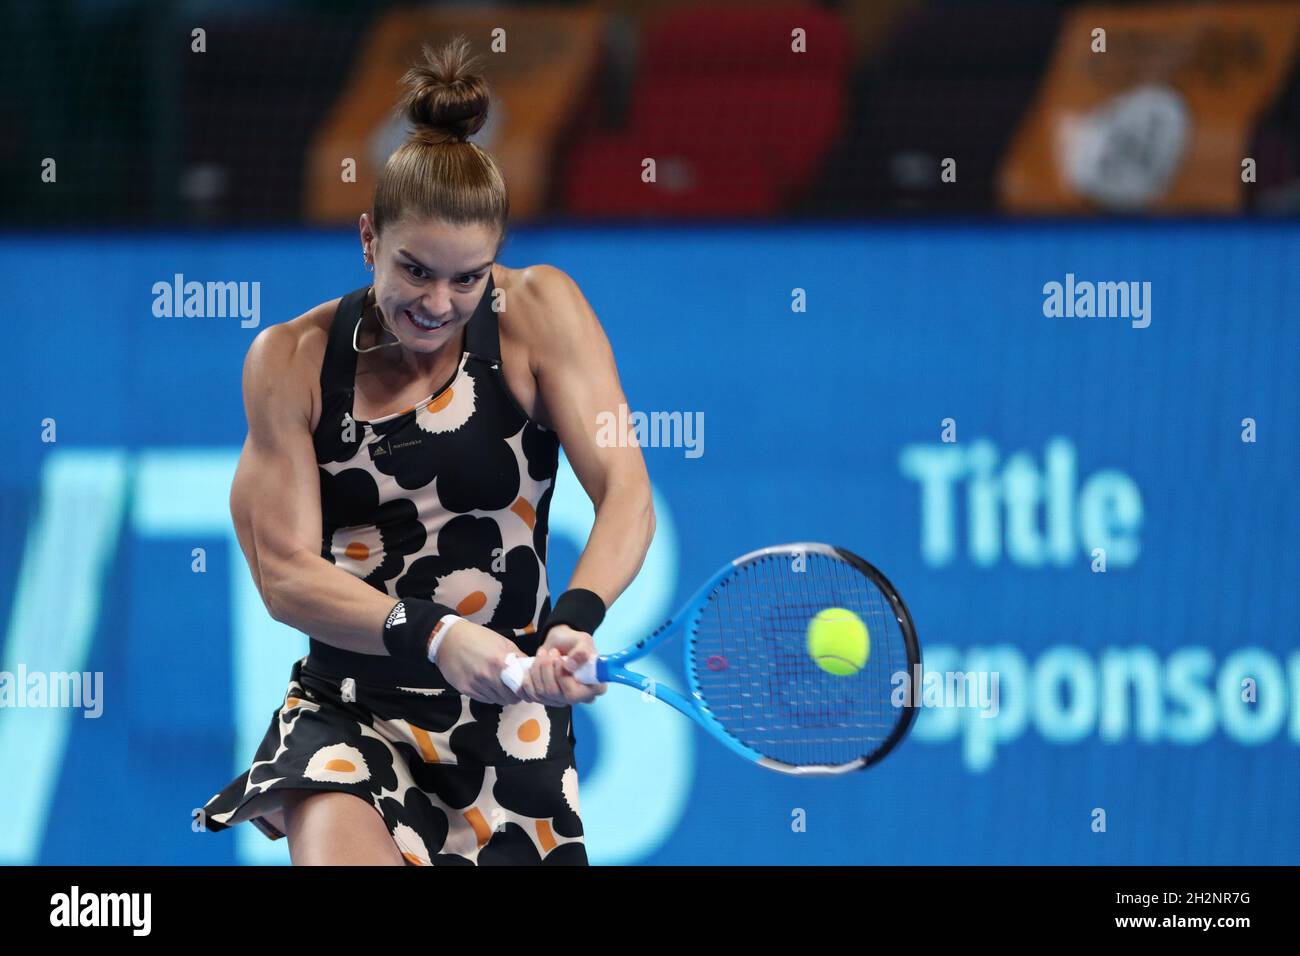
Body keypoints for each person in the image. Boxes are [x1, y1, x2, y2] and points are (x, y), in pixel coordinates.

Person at [200, 36, 655, 865]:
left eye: (467, 279)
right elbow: (283, 573)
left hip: (508, 733)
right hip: (350, 711)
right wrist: (437, 636)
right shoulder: (292, 361)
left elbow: (627, 488)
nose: (438, 304)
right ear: (369, 239)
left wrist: (572, 621)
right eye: (414, 270)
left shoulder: (543, 311)